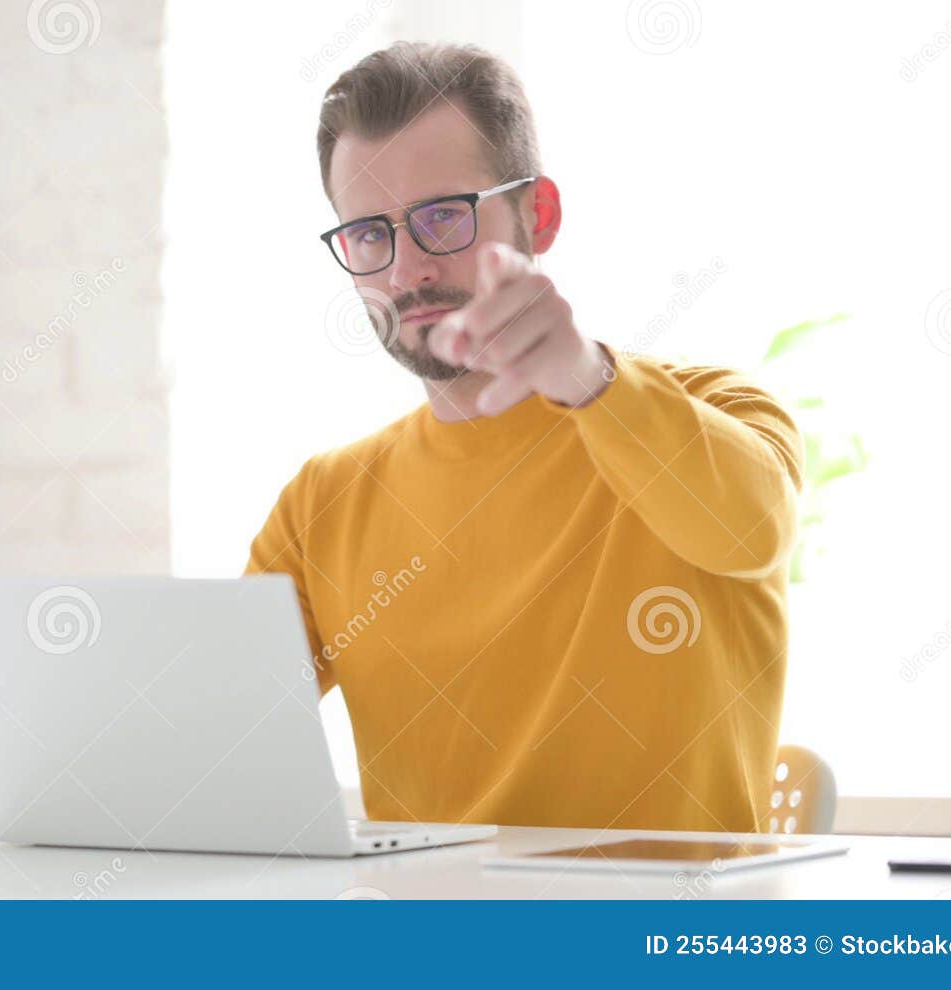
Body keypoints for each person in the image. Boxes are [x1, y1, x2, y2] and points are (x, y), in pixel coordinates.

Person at [244, 42, 802, 832]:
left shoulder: (717, 408)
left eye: (443, 216)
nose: (406, 271)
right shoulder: (323, 502)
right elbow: (213, 735)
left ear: (536, 215)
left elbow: (750, 526)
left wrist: (586, 377)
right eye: (370, 232)